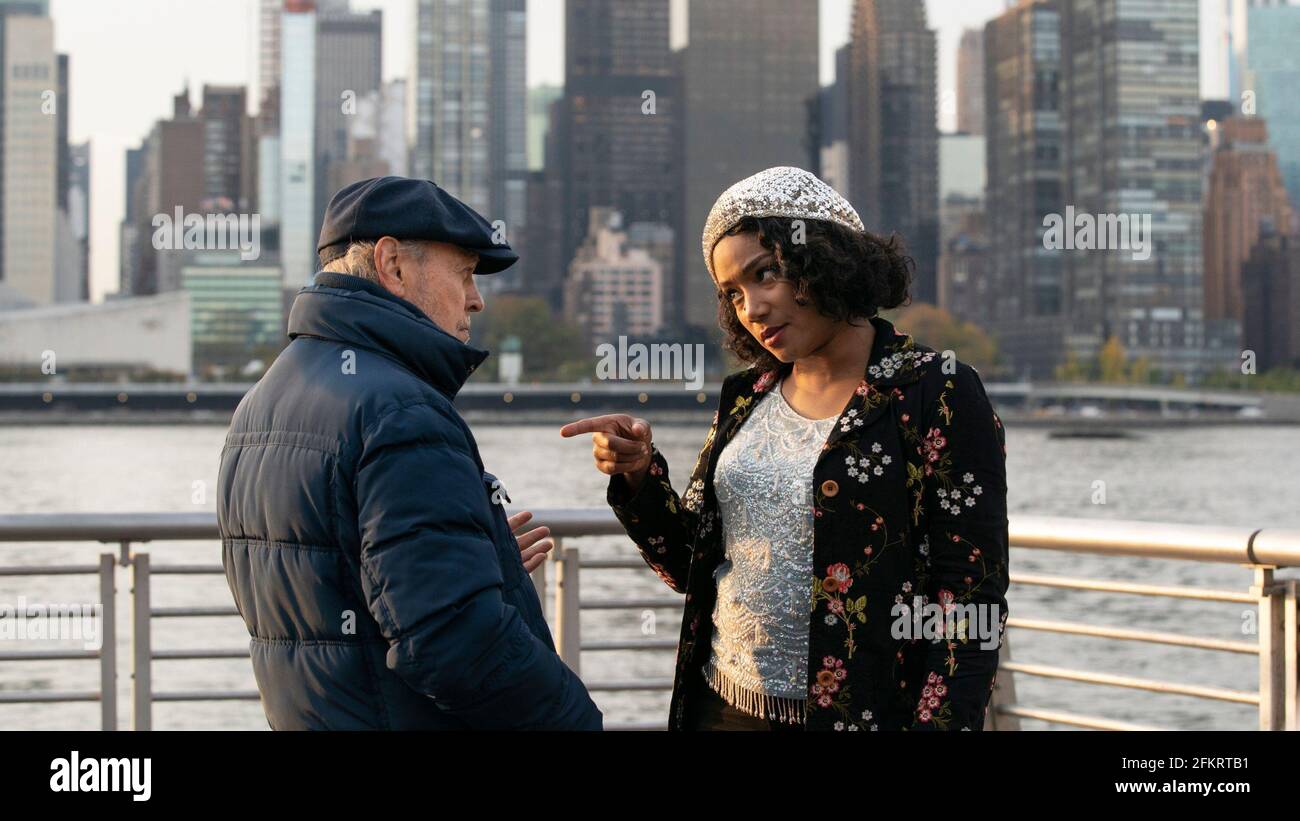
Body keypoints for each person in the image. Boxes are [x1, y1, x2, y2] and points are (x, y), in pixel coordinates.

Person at [562, 166, 1009, 731]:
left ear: (826, 258)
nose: (752, 307)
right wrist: (638, 475)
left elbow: (969, 604)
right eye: (733, 292)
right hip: (717, 709)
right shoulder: (745, 396)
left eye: (765, 273)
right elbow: (688, 561)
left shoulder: (936, 390)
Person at [219, 176, 602, 730]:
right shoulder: (399, 411)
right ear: (393, 264)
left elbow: (328, 587)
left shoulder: (259, 407)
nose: (476, 299)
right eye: (464, 272)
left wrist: (476, 567)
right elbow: (452, 645)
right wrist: (574, 720)